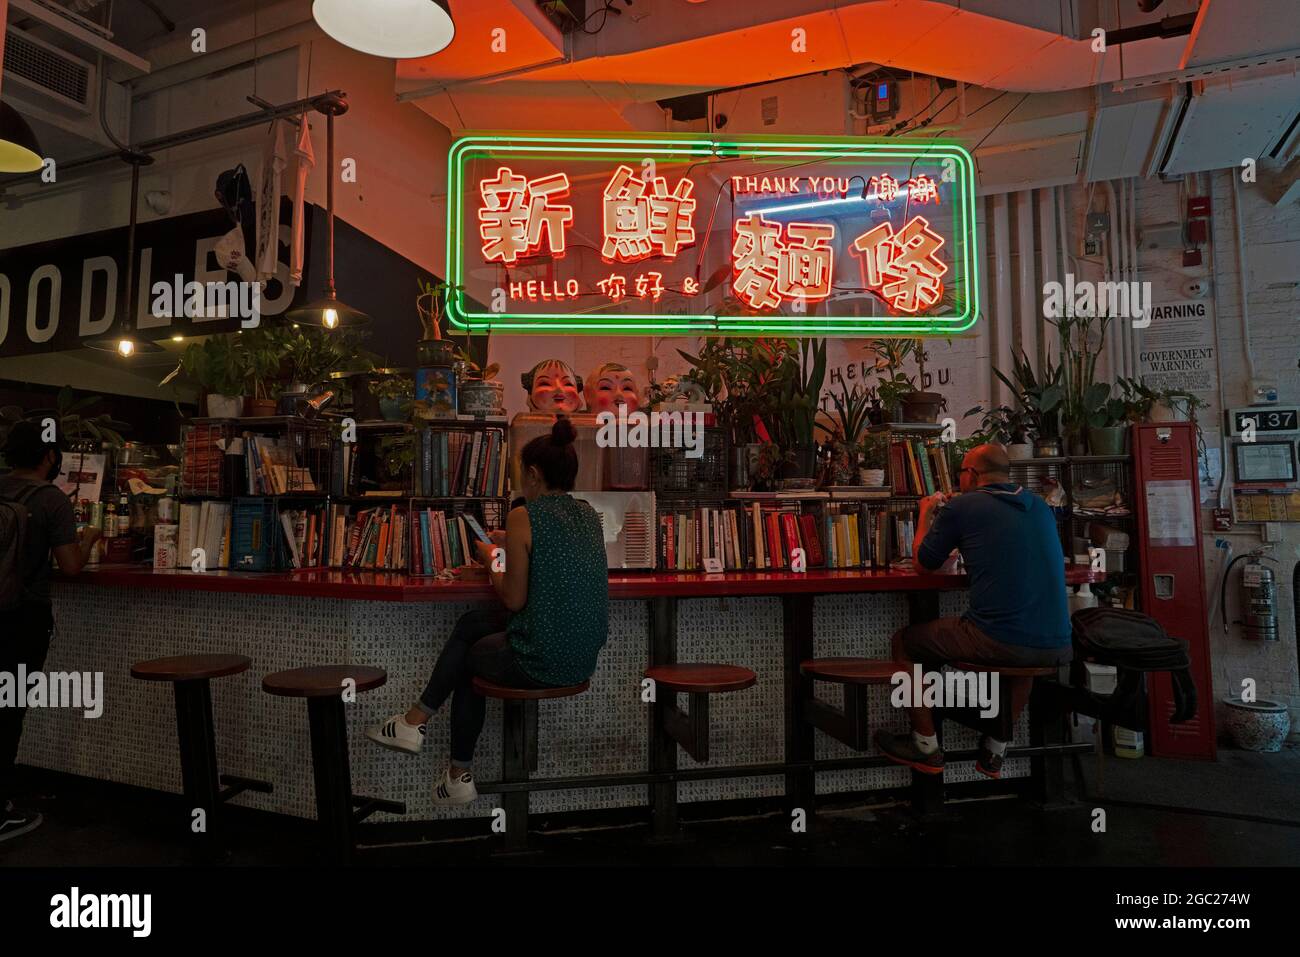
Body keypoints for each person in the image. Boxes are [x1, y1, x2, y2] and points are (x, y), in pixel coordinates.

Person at [368, 417, 608, 805]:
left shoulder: (522, 516)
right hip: (582, 657)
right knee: (473, 625)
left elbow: (513, 600)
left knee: (469, 656)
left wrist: (491, 556)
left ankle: (447, 759)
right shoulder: (586, 514)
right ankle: (418, 727)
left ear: (533, 474)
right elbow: (550, 566)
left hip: (542, 659)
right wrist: (510, 544)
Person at [874, 443, 1071, 780]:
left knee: (906, 643)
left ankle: (925, 747)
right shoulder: (1040, 506)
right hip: (1058, 644)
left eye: (960, 472)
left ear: (973, 475)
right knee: (1027, 657)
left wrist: (925, 512)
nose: (958, 479)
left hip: (997, 639)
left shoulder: (964, 505)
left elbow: (923, 563)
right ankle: (995, 750)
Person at [0, 421, 101, 841]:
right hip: (21, 619)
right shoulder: (50, 500)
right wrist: (91, 537)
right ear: (50, 457)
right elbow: (71, 566)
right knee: (7, 714)